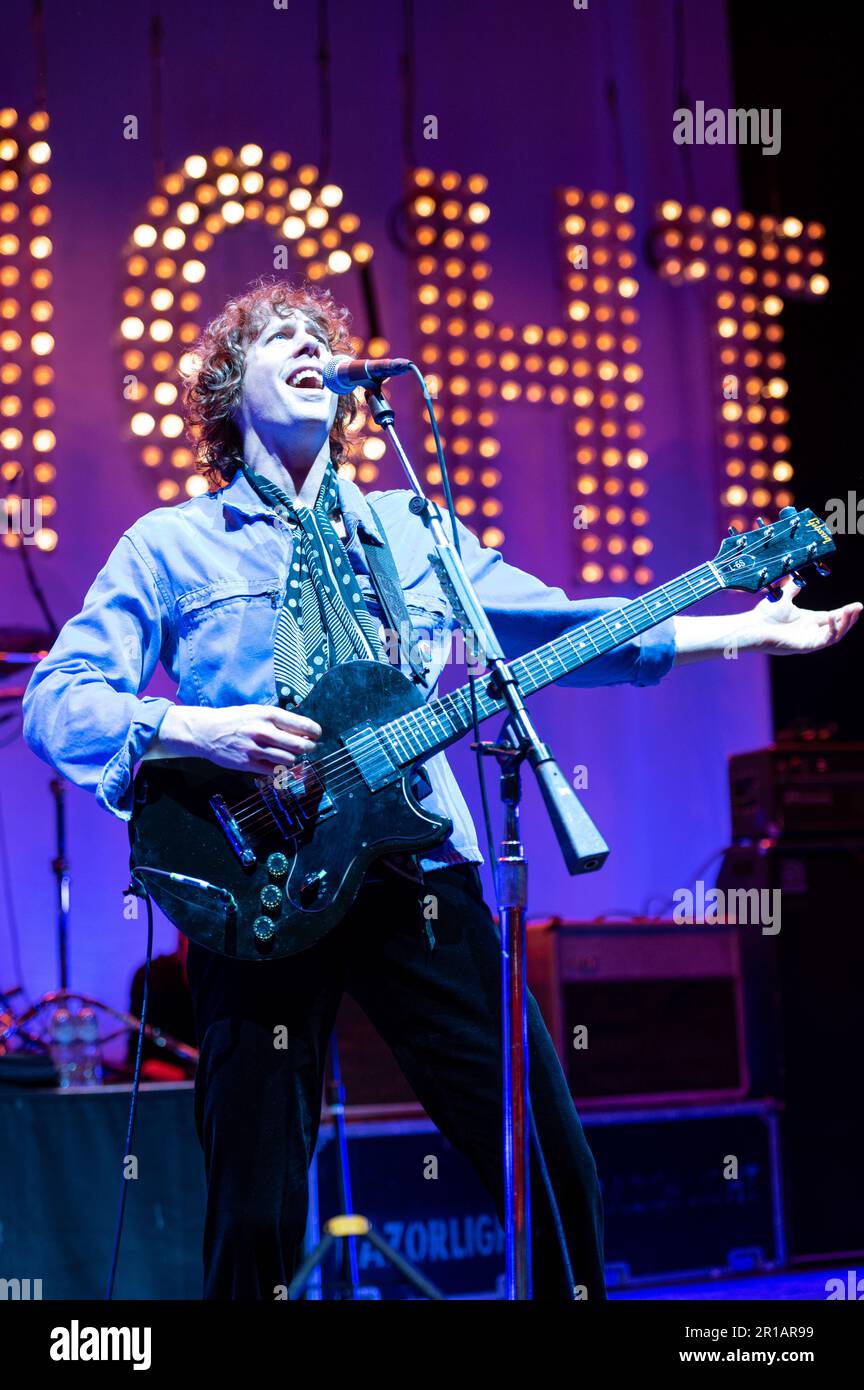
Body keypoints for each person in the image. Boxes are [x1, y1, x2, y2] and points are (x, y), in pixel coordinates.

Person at [22, 278, 860, 1300]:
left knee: (549, 1167)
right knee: (254, 1207)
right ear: (228, 392)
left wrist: (745, 629)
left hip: (416, 866)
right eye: (278, 337)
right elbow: (58, 702)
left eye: (318, 336)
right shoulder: (170, 545)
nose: (307, 346)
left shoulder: (414, 530)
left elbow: (568, 631)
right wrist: (199, 727)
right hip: (257, 885)